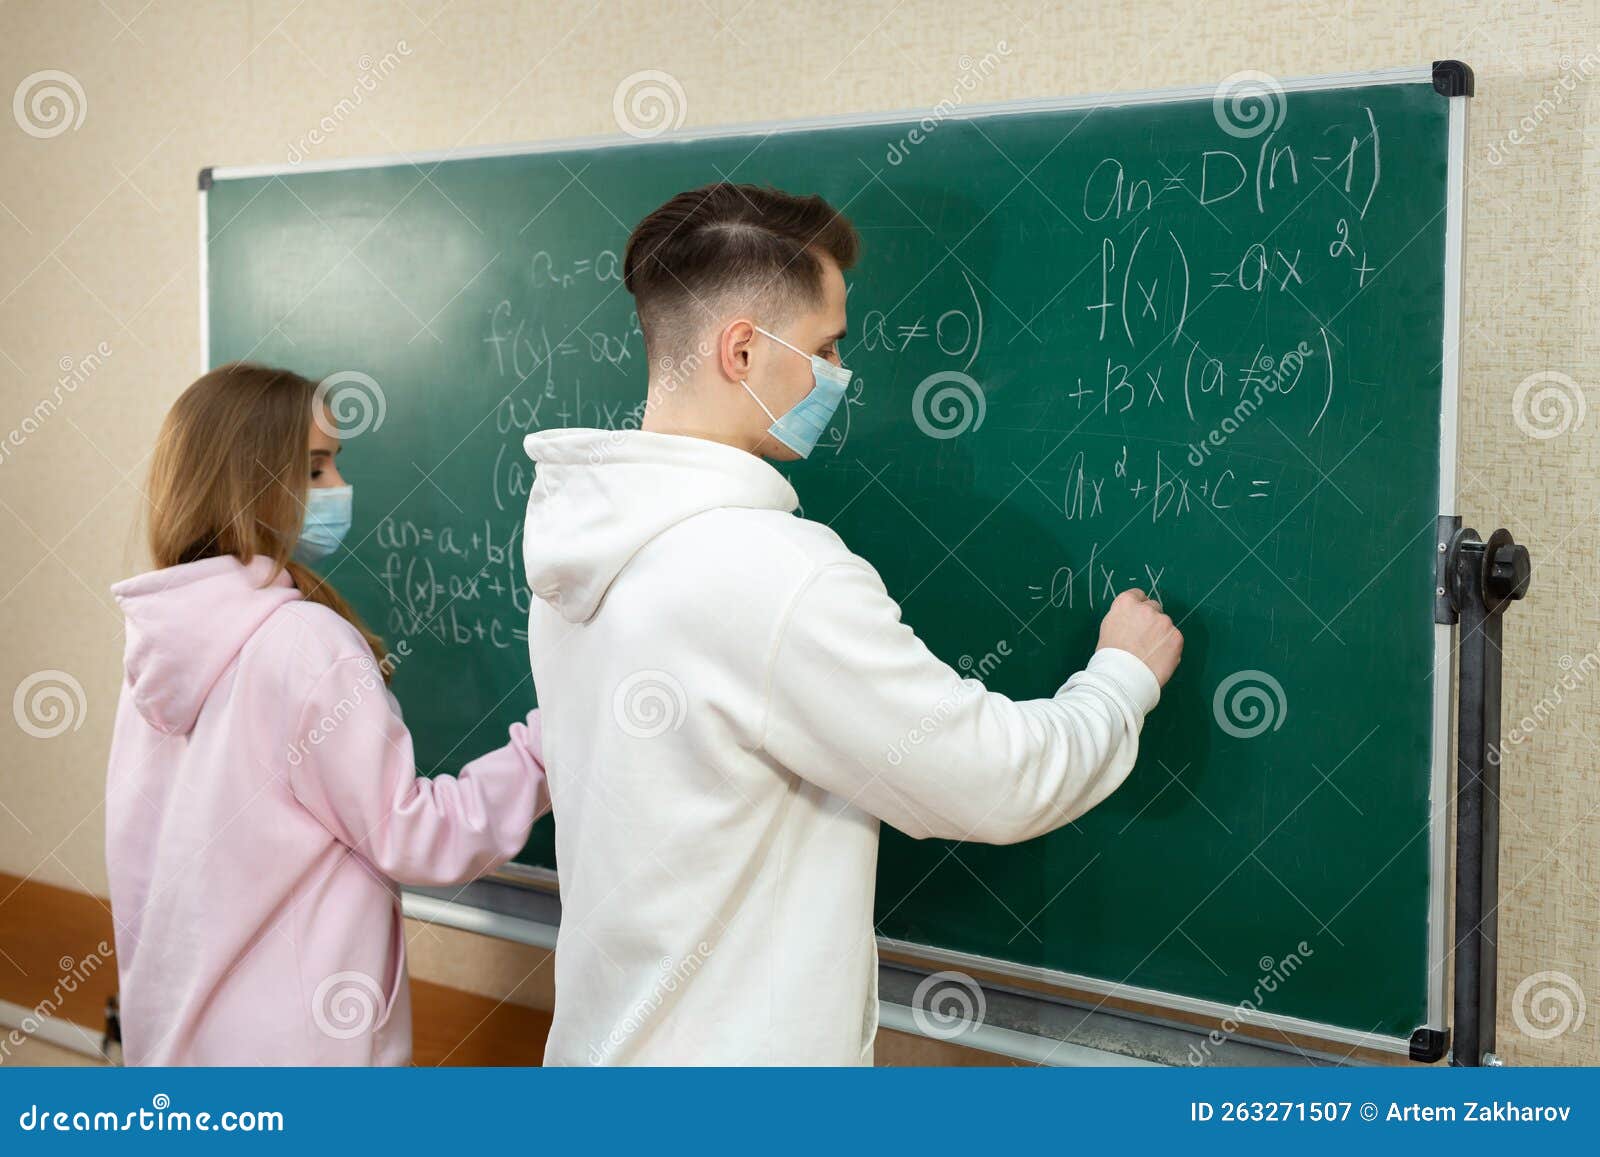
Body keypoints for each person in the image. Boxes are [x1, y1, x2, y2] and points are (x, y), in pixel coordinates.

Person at [522, 183, 1183, 1066]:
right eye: (828, 347)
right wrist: (1120, 679)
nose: (841, 373)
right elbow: (991, 779)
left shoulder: (578, 551)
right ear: (744, 350)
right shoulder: (774, 572)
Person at [106, 363, 547, 1065]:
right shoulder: (306, 644)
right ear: (248, 480)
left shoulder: (156, 644)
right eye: (315, 470)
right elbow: (414, 834)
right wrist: (541, 756)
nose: (341, 488)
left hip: (178, 1052)